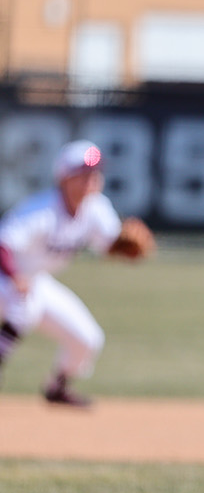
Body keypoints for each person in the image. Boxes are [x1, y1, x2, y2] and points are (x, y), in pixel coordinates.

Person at [0, 140, 129, 407]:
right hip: (7, 276)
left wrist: (125, 247)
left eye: (95, 173)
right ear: (64, 177)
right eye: (83, 174)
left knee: (88, 339)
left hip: (35, 280)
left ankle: (57, 388)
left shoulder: (97, 208)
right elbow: (3, 244)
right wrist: (15, 277)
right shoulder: (41, 210)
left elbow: (111, 244)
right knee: (24, 308)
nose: (91, 180)